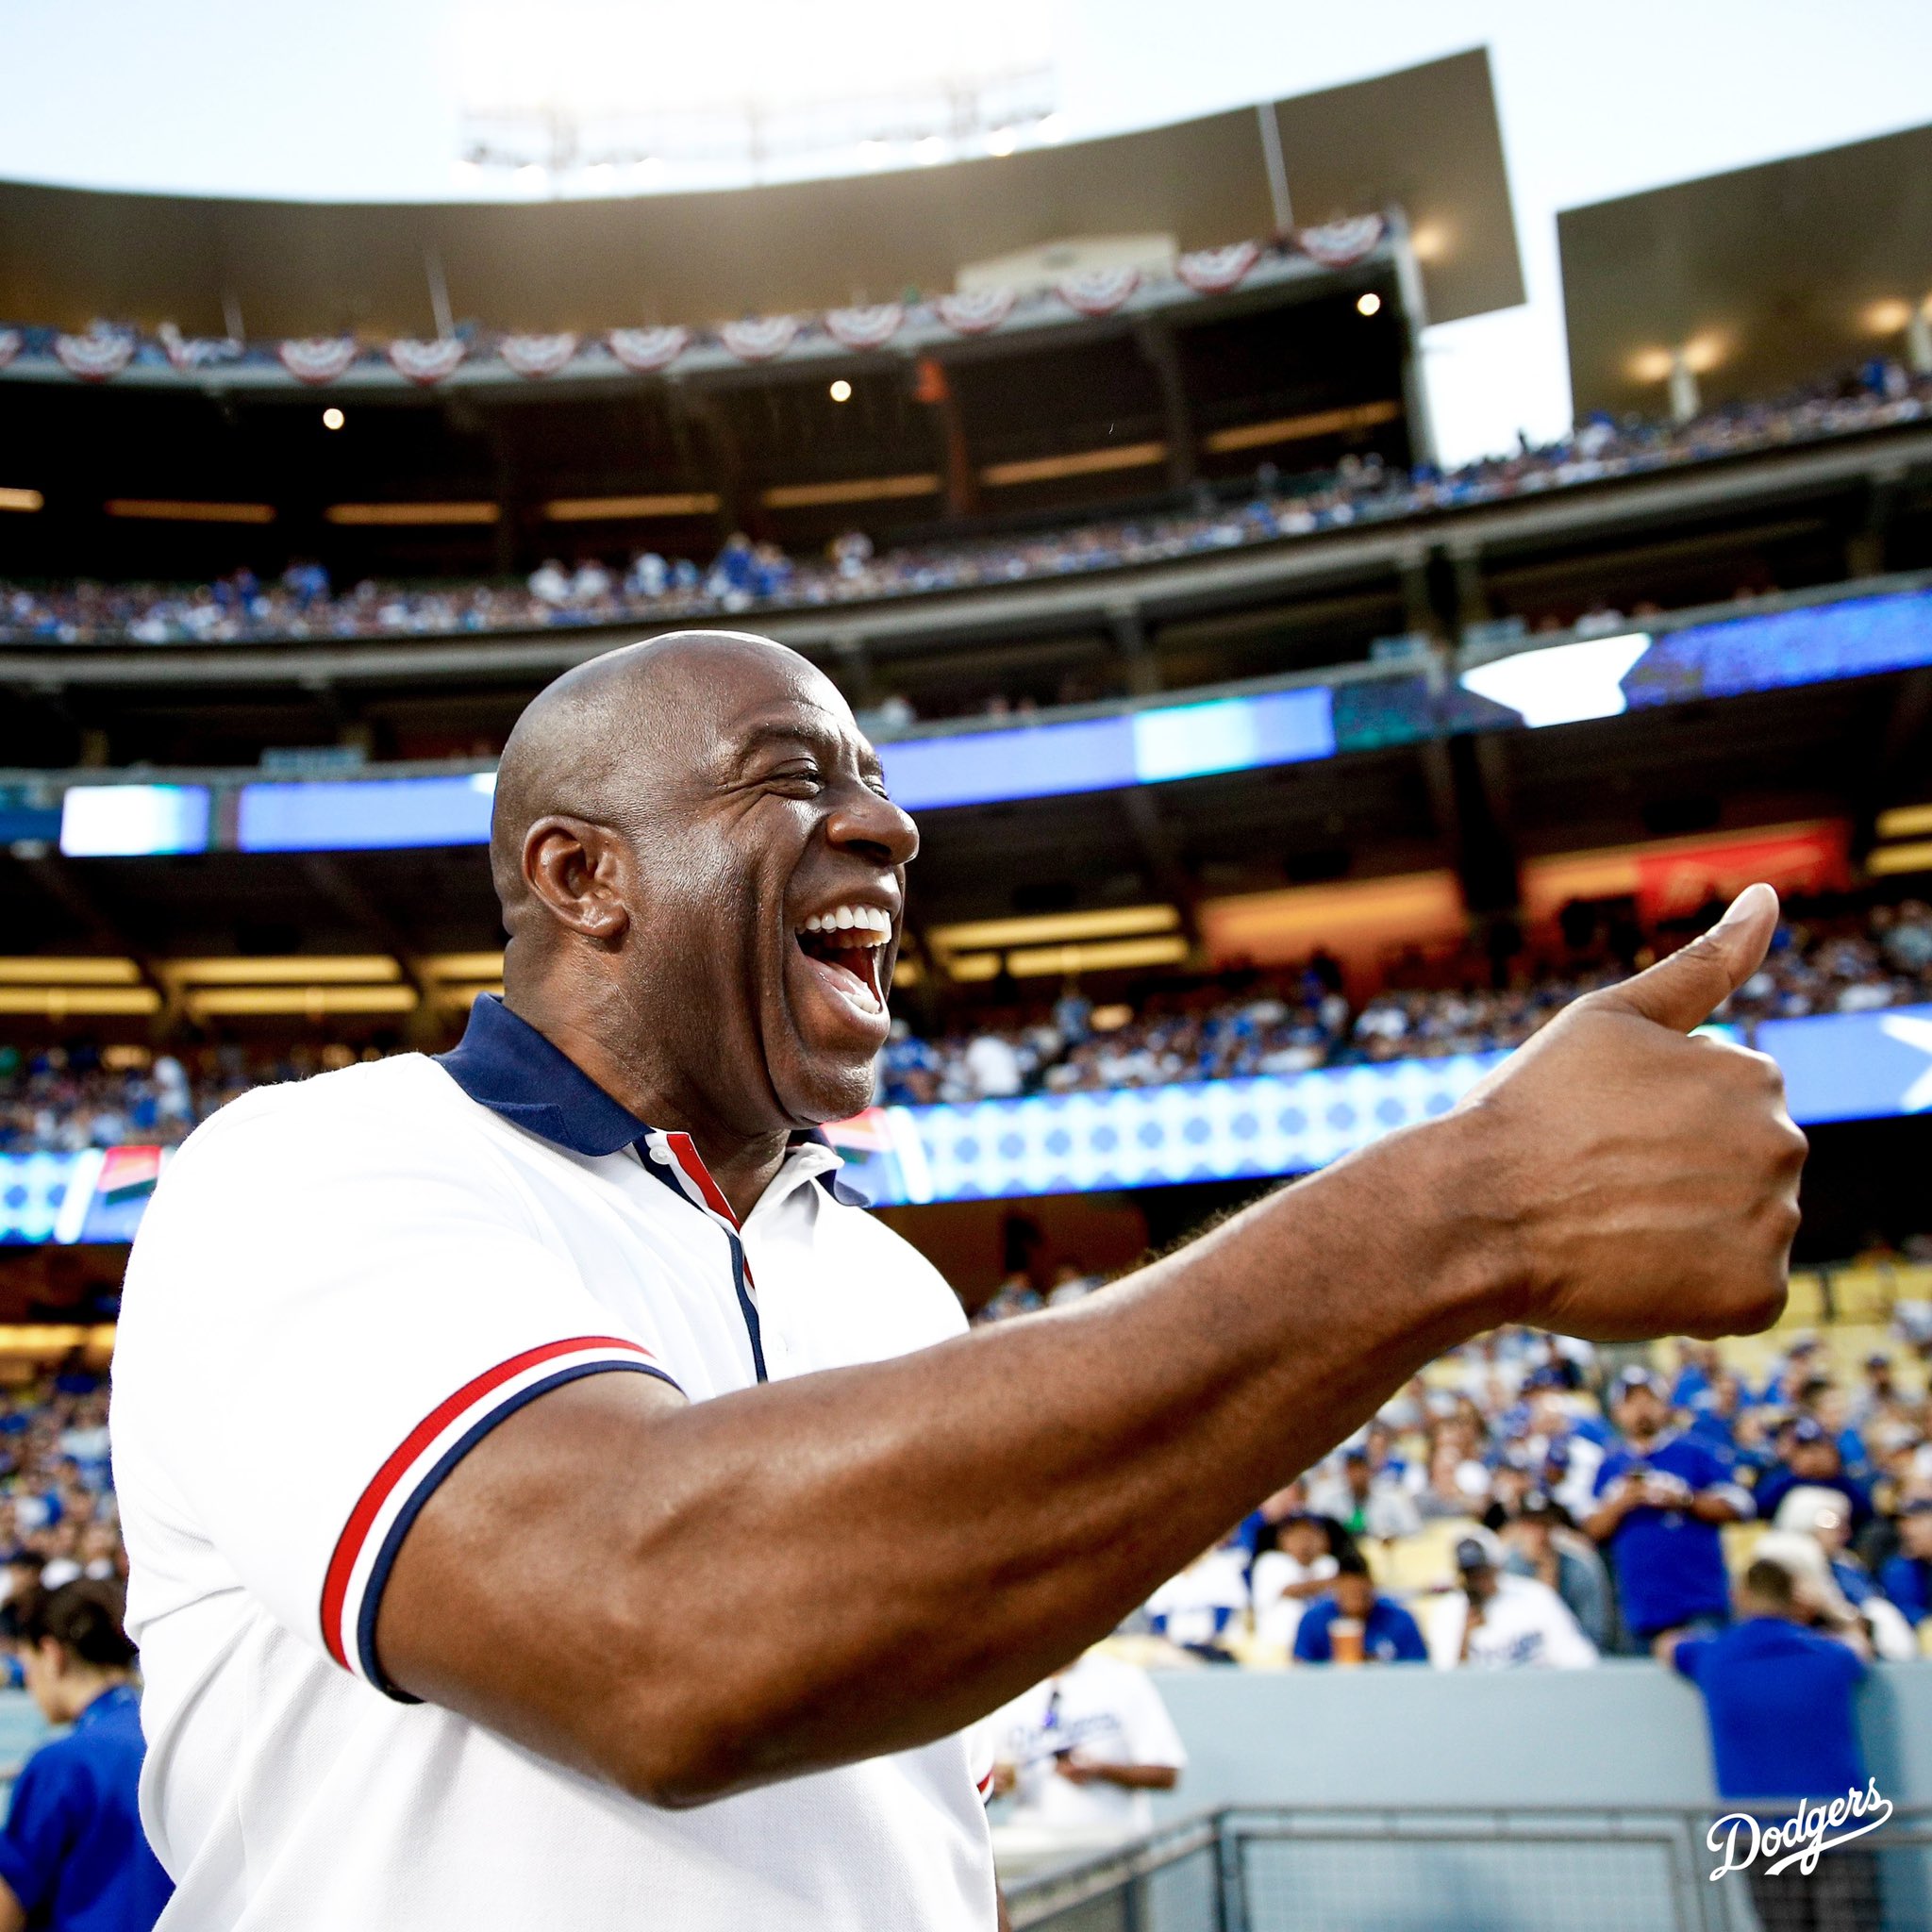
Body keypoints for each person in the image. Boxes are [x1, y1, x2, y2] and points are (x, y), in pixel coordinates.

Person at [111, 631, 1806, 1932]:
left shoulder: (896, 1291)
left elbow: (898, 1831)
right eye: (791, 778)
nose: (889, 824)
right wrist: (1464, 1207)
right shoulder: (317, 1166)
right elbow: (656, 1629)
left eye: (871, 778)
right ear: (581, 876)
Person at [1666, 1558, 1878, 1932]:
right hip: (1838, 1826)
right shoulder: (1829, 1654)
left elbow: (1666, 1645)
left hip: (1759, 1830)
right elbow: (1861, 1645)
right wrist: (1834, 1613)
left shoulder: (1713, 1656)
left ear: (1740, 1597)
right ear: (1796, 1601)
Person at [0, 1581, 172, 1932]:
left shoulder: (64, 1763)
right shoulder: (170, 1737)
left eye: (28, 1664)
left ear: (52, 1655)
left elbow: (8, 1906)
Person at [1586, 1368, 1754, 1650]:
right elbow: (1591, 1529)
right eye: (1631, 1402)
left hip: (1699, 1598)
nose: (1641, 1410)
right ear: (1617, 1412)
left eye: (1649, 1400)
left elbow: (1740, 1507)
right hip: (1641, 1605)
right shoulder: (1610, 1464)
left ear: (1665, 1405)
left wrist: (1685, 1500)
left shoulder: (1696, 1451)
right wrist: (1624, 1501)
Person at [991, 1649, 1184, 1842]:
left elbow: (1167, 1774)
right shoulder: (1010, 1684)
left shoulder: (1121, 1679)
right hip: (1031, 1845)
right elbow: (992, 1777)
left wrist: (1100, 1770)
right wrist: (993, 1783)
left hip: (1111, 1844)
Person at [1438, 1529, 1597, 1668]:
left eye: (1482, 1571)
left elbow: (1579, 1658)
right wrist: (1464, 1640)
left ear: (1496, 1566)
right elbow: (1446, 1683)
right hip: (1482, 1698)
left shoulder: (1535, 1596)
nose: (1477, 1580)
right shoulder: (1449, 1610)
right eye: (1470, 1573)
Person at [1500, 1494, 1612, 1652]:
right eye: (1530, 1525)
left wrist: (1550, 1573)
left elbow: (1595, 1635)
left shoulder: (1580, 1568)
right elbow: (1503, 1632)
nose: (1538, 1534)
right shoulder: (1505, 1567)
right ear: (1518, 1527)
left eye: (1544, 1525)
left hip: (1572, 1663)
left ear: (1555, 1528)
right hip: (1519, 1661)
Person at [1293, 1551, 1428, 1665]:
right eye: (1349, 1593)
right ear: (1336, 1589)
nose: (1355, 1601)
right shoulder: (1313, 1620)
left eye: (1361, 1593)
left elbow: (1418, 1667)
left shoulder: (1399, 1619)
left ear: (1371, 1586)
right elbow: (1301, 1668)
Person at [1878, 1497, 1932, 1629]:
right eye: (1903, 1523)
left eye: (1917, 1521)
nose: (1907, 1530)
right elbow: (1907, 1610)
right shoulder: (1900, 1568)